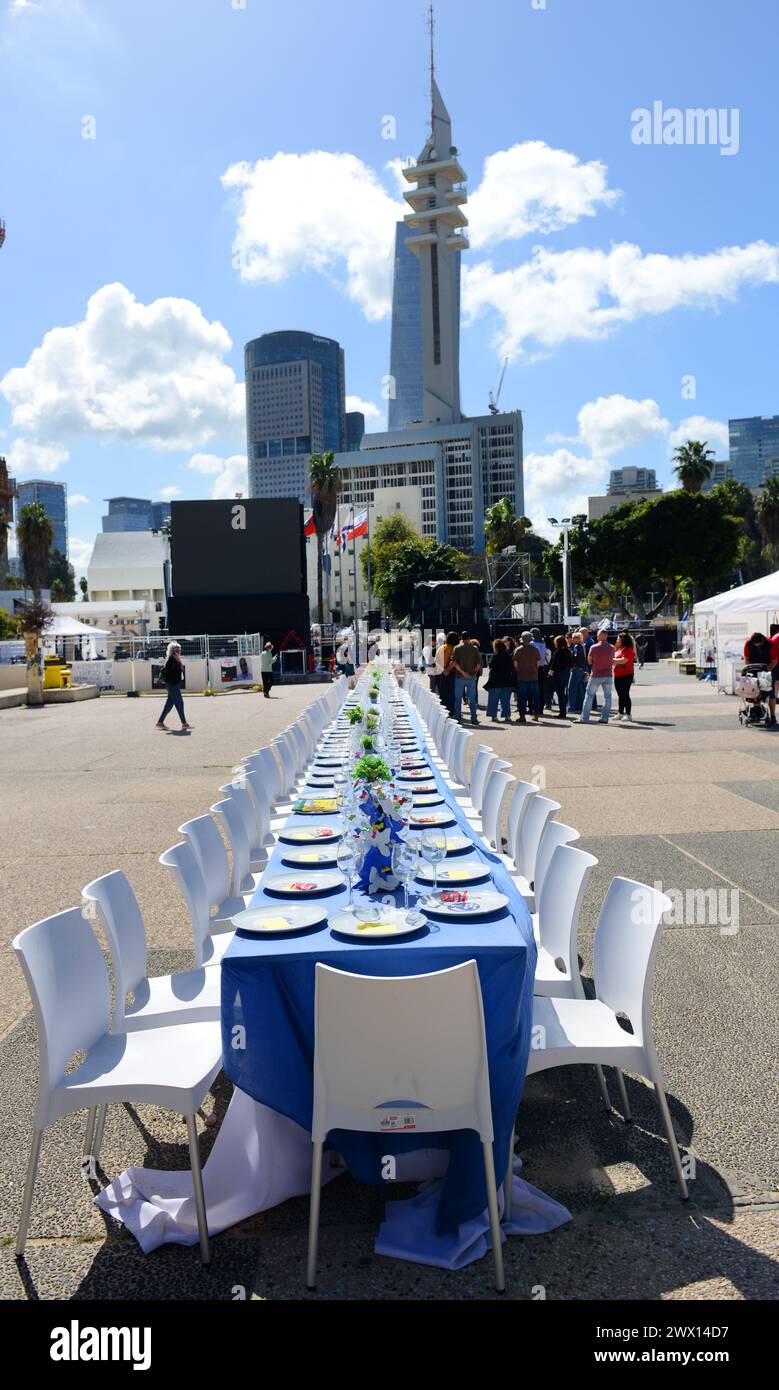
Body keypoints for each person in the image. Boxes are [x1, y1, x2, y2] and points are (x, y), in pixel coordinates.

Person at [579, 628, 615, 724]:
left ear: (600, 636)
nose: (597, 636)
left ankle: (584, 718)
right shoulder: (611, 647)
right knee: (607, 697)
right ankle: (605, 718)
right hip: (608, 675)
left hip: (596, 675)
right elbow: (612, 660)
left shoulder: (594, 647)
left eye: (598, 635)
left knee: (589, 695)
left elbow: (589, 661)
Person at [156, 642, 192, 731]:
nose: (179, 651)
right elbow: (169, 674)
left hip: (174, 685)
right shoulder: (171, 660)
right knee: (179, 703)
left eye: (179, 650)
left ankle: (160, 722)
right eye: (177, 650)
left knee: (169, 705)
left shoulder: (176, 659)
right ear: (173, 651)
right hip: (173, 685)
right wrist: (175, 683)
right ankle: (184, 723)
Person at [450, 630, 482, 725]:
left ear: (461, 638)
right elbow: (478, 664)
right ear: (469, 638)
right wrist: (474, 673)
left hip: (459, 676)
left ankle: (458, 718)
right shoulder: (475, 649)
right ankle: (474, 718)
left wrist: (463, 673)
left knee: (458, 699)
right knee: (472, 699)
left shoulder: (457, 648)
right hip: (471, 677)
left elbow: (454, 663)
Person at [512, 631, 541, 723]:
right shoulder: (535, 649)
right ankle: (536, 715)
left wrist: (519, 670)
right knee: (535, 696)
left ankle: (522, 716)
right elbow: (538, 664)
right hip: (534, 676)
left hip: (522, 676)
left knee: (522, 697)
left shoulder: (518, 650)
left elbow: (515, 663)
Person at [485, 637, 515, 721]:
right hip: (507, 681)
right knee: (505, 701)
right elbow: (512, 668)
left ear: (496, 647)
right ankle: (507, 716)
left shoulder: (495, 656)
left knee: (493, 700)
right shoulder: (508, 656)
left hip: (495, 681)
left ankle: (494, 716)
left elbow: (490, 667)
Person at [613, 631, 636, 722]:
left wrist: (611, 660)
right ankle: (620, 713)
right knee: (620, 695)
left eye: (619, 638)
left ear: (623, 640)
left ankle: (628, 714)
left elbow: (623, 661)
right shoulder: (619, 649)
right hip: (617, 674)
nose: (617, 640)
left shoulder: (629, 649)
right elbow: (618, 659)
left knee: (625, 694)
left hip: (627, 674)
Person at [549, 634, 573, 720]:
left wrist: (550, 672)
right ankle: (564, 711)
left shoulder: (557, 652)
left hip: (558, 674)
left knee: (560, 694)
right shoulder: (568, 651)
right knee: (564, 693)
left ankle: (562, 712)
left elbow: (554, 664)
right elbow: (571, 663)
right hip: (566, 673)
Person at [436, 630, 459, 715]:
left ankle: (444, 710)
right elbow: (454, 661)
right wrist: (447, 670)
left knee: (443, 693)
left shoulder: (441, 648)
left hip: (441, 673)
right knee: (452, 693)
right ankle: (451, 710)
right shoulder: (455, 648)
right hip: (451, 672)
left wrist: (442, 670)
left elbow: (436, 661)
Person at [567, 631, 588, 714]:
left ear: (578, 639)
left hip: (576, 669)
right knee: (580, 689)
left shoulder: (576, 647)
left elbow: (574, 658)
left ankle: (572, 707)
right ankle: (580, 707)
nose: (572, 639)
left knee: (571, 689)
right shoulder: (582, 646)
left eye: (574, 637)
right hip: (581, 669)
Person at [531, 627, 550, 712]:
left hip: (533, 668)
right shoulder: (543, 643)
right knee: (541, 689)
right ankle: (541, 707)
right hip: (542, 667)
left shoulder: (532, 643)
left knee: (533, 689)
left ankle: (534, 708)